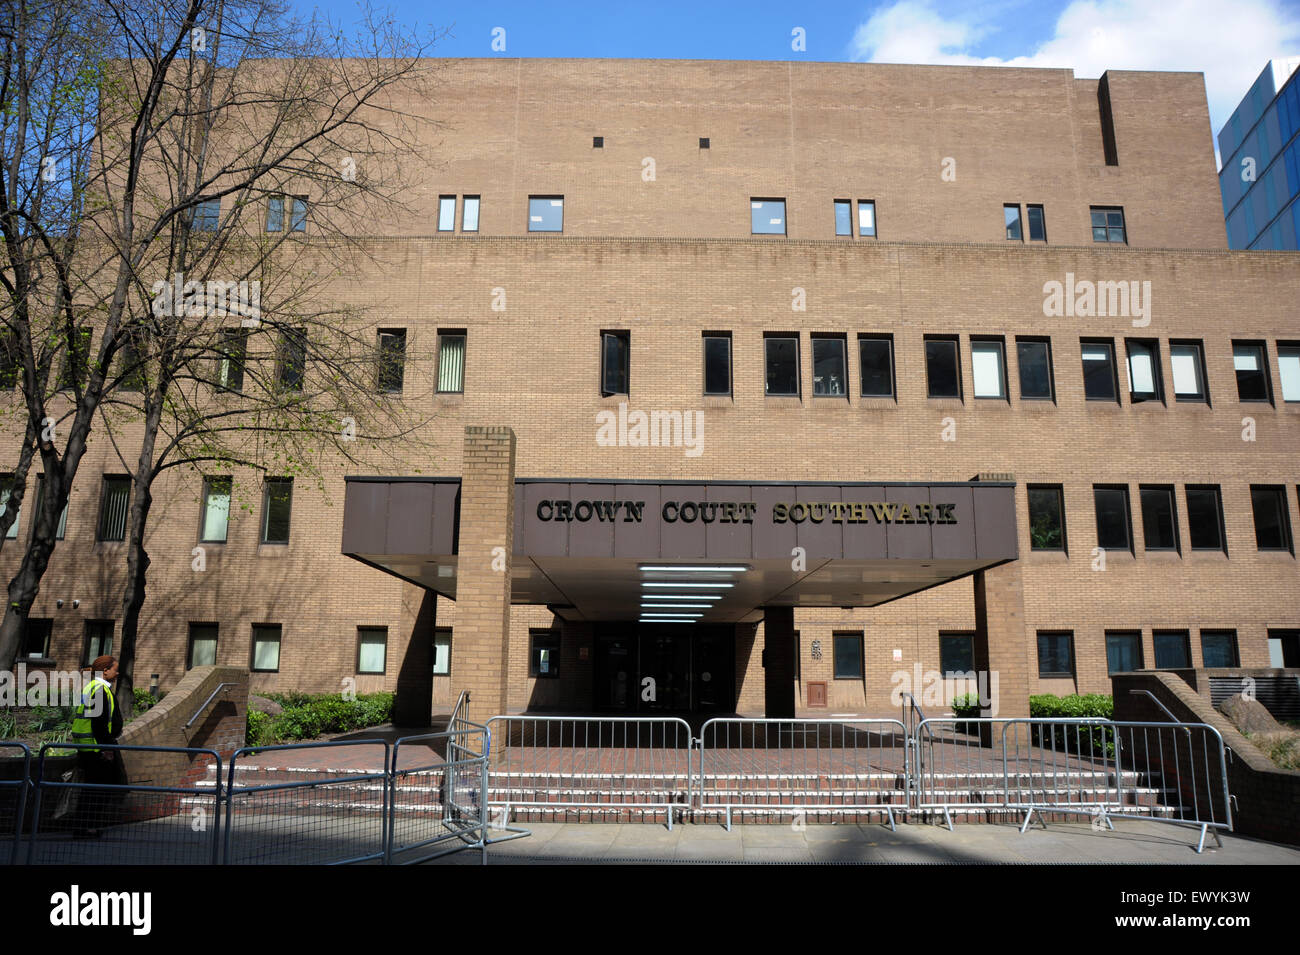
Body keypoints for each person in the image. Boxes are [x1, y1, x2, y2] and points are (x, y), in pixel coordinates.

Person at [69, 655, 125, 839]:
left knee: (93, 789)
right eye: (115, 669)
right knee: (96, 790)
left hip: (90, 747)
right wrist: (106, 748)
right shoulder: (100, 690)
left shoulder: (93, 687)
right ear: (106, 670)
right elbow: (99, 722)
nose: (117, 673)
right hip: (96, 749)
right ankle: (86, 827)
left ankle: (85, 826)